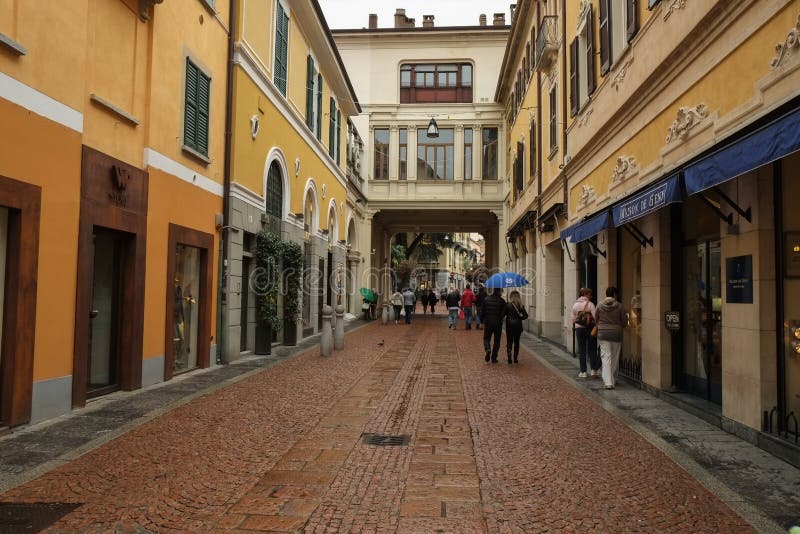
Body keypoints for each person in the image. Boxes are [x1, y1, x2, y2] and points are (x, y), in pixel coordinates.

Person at [596, 286, 627, 389]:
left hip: (603, 333)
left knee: (606, 357)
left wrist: (601, 325)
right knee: (614, 357)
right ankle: (612, 378)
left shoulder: (599, 305)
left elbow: (596, 318)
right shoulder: (620, 306)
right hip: (616, 334)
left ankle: (608, 382)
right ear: (614, 294)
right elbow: (624, 321)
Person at [571, 288, 598, 379]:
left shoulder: (575, 304)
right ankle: (593, 370)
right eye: (589, 294)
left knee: (582, 350)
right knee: (592, 348)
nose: (591, 296)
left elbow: (573, 318)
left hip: (579, 329)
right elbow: (595, 317)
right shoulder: (590, 304)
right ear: (586, 294)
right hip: (589, 328)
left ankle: (583, 371)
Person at [480, 288, 506, 363]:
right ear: (499, 292)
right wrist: (500, 318)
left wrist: (481, 321)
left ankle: (488, 348)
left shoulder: (486, 299)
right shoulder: (502, 301)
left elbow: (483, 311)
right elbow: (504, 313)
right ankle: (494, 357)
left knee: (486, 338)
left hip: (488, 322)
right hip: (498, 323)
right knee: (497, 340)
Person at [504, 290, 529, 363]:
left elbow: (503, 314)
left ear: (511, 297)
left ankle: (509, 357)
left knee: (509, 341)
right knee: (516, 342)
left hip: (509, 325)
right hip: (518, 325)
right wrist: (519, 318)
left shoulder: (508, 305)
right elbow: (526, 316)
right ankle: (515, 358)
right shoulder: (521, 306)